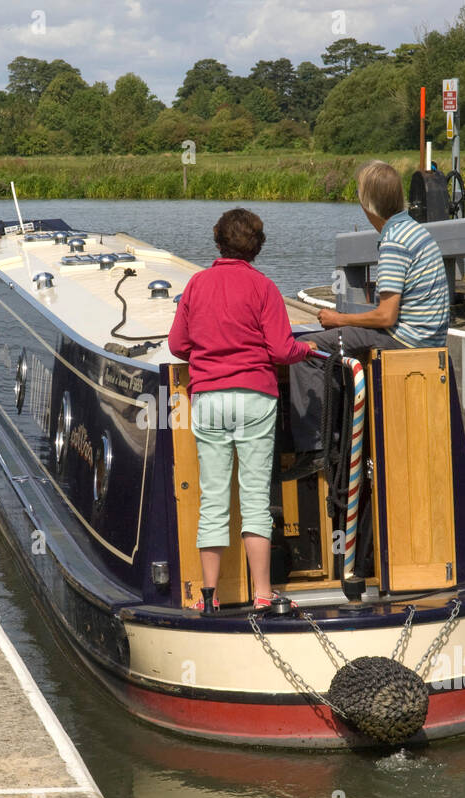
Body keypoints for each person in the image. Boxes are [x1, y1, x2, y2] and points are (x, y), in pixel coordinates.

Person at [167, 209, 317, 611]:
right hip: (254, 399)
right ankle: (264, 594)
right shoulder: (264, 287)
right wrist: (309, 349)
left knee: (213, 500)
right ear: (257, 245)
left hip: (210, 400)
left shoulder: (197, 285)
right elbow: (283, 350)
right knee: (254, 500)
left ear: (217, 239)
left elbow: (178, 346)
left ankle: (209, 597)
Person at [286, 160, 450, 473]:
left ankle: (316, 451)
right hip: (429, 338)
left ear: (367, 205)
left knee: (306, 351)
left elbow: (386, 317)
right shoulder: (414, 230)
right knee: (333, 350)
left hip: (405, 341)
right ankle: (339, 434)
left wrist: (339, 319)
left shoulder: (393, 242)